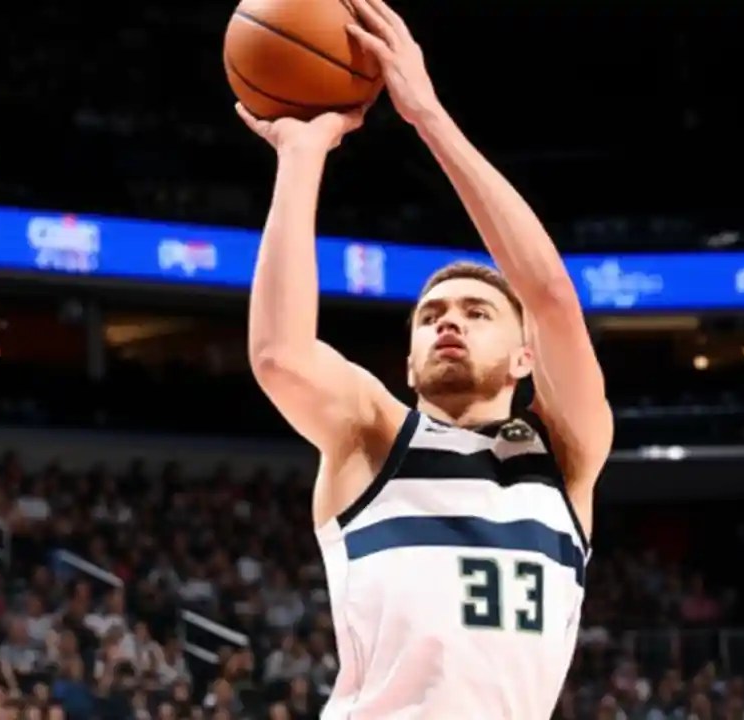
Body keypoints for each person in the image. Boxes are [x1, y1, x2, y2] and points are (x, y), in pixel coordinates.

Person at [236, 0, 613, 716]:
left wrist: (428, 117)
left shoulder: (565, 452)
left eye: (478, 313)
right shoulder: (375, 437)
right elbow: (280, 354)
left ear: (524, 356)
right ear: (406, 366)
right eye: (431, 315)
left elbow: (553, 294)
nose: (449, 322)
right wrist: (301, 156)